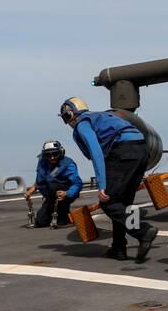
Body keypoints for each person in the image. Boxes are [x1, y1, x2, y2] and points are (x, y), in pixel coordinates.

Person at [59, 97, 158, 262]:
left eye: (66, 117)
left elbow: (96, 152)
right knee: (123, 204)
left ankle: (143, 231)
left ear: (72, 114)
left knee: (109, 203)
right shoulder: (101, 117)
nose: (67, 122)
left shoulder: (82, 124)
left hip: (122, 152)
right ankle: (119, 248)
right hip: (141, 150)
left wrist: (102, 185)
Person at [24, 139, 82, 228]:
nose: (52, 157)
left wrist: (67, 193)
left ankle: (65, 215)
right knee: (40, 222)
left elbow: (77, 183)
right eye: (48, 155)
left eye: (55, 154)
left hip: (65, 194)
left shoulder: (68, 164)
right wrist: (33, 188)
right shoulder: (42, 161)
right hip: (50, 195)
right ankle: (55, 210)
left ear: (61, 152)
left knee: (61, 222)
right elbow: (41, 177)